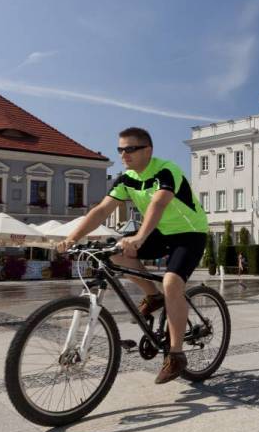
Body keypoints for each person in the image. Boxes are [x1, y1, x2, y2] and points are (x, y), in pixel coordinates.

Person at [57, 127, 209, 384]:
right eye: (120, 149)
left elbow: (158, 204)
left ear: (147, 150)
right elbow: (101, 210)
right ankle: (153, 295)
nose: (123, 154)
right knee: (114, 253)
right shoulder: (126, 179)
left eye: (130, 149)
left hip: (189, 232)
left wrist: (139, 237)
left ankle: (176, 354)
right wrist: (72, 238)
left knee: (172, 282)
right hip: (160, 231)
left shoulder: (166, 170)